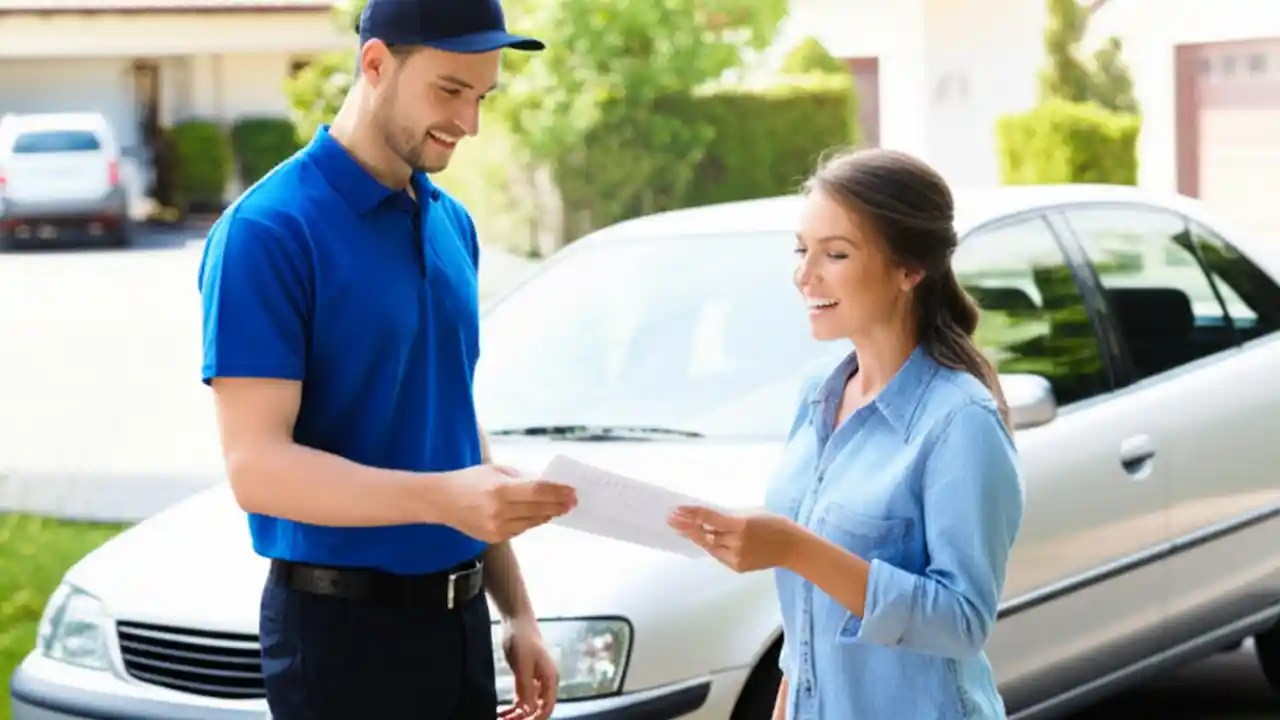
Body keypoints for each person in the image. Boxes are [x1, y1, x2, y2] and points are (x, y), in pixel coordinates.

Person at [196, 1, 578, 718]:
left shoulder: (451, 223)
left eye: (481, 96)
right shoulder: (267, 232)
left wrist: (516, 611)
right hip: (341, 637)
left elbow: (452, 426)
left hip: (459, 624)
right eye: (449, 90)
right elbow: (257, 470)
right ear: (375, 64)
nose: (470, 123)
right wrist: (446, 499)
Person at [668, 148, 1025, 719]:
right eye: (801, 250)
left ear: (910, 270)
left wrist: (793, 547)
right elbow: (809, 611)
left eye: (834, 254)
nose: (804, 275)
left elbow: (963, 621)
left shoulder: (960, 422)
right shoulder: (817, 396)